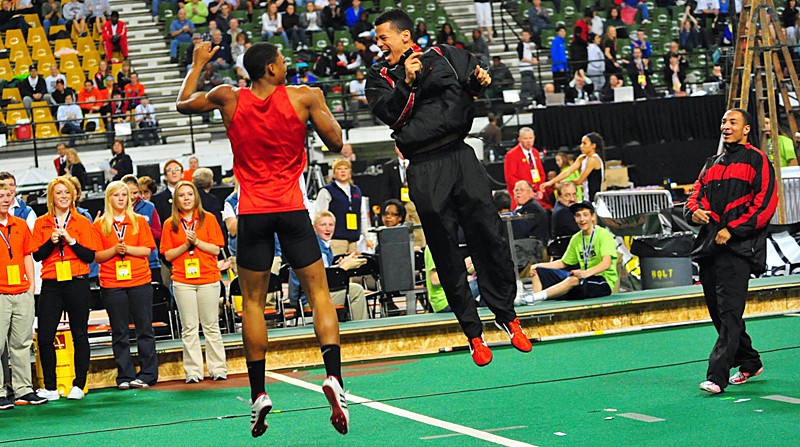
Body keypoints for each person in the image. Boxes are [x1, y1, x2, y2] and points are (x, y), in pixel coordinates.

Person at [176, 41, 349, 437]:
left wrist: (198, 63)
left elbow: (183, 103)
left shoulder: (228, 97)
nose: (286, 65)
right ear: (271, 69)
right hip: (291, 208)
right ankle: (334, 377)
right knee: (319, 292)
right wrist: (316, 111)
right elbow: (336, 143)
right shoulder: (304, 97)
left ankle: (258, 394)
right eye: (282, 61)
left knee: (252, 301)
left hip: (252, 212)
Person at [366, 10, 532, 367]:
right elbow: (393, 117)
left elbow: (469, 85)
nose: (379, 44)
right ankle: (473, 333)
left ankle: (508, 316)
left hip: (461, 155)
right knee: (444, 248)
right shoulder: (378, 77)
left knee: (489, 234)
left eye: (383, 37)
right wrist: (408, 84)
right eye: (377, 39)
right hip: (424, 167)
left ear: (405, 36)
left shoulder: (445, 54)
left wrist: (479, 82)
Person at [684, 108, 777, 394]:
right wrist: (694, 212)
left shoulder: (757, 159)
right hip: (711, 248)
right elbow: (693, 198)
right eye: (724, 121)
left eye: (733, 122)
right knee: (720, 313)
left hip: (738, 249)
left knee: (729, 313)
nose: (726, 125)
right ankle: (749, 361)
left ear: (746, 129)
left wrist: (733, 229)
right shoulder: (711, 163)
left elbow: (765, 204)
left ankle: (717, 376)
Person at [32, 177, 98, 402]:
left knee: (80, 334)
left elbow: (90, 256)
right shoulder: (41, 222)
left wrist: (71, 241)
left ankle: (79, 384)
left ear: (73, 196)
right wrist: (51, 241)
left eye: (67, 193)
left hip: (77, 281)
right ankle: (50, 386)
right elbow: (37, 255)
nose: (63, 196)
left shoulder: (82, 221)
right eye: (59, 192)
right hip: (51, 283)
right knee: (45, 336)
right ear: (52, 196)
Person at [92, 181, 158, 390]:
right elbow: (97, 256)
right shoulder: (100, 224)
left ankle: (148, 374)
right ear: (109, 198)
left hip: (139, 281)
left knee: (144, 328)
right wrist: (114, 250)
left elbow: (147, 250)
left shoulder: (139, 221)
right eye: (116, 195)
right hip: (112, 283)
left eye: (124, 195)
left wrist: (126, 248)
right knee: (119, 331)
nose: (120, 199)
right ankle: (125, 375)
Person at [161, 181, 227, 383]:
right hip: (182, 280)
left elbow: (216, 249)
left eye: (190, 194)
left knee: (211, 326)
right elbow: (168, 255)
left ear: (196, 197)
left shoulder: (209, 219)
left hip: (208, 278)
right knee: (189, 327)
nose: (186, 198)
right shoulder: (169, 224)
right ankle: (193, 371)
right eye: (182, 195)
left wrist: (197, 242)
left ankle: (218, 368)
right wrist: (186, 245)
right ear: (176, 200)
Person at [0, 184, 49, 410]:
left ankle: (23, 389)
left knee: (21, 343)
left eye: (8, 195)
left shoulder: (19, 225)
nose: (5, 199)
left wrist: (31, 287)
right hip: (0, 293)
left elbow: (28, 256)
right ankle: (1, 391)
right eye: (0, 196)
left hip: (22, 291)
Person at [528, 201, 617, 302]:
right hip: (584, 279)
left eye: (585, 215)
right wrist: (539, 266)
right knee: (537, 272)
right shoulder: (576, 238)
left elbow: (606, 263)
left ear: (592, 217)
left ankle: (534, 297)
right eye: (578, 216)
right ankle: (536, 306)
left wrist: (586, 273)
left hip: (602, 281)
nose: (582, 219)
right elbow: (563, 262)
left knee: (573, 280)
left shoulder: (603, 235)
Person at [290, 211, 369, 321]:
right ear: (314, 228)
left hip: (318, 294)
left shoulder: (324, 244)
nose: (328, 229)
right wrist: (344, 267)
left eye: (331, 225)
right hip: (310, 298)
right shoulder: (315, 247)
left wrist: (339, 265)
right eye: (323, 225)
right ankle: (360, 331)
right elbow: (324, 278)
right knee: (356, 291)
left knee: (352, 289)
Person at [314, 158, 367, 255]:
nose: (343, 171)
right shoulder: (327, 190)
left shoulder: (356, 190)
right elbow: (320, 215)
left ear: (350, 172)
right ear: (334, 172)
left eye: (346, 168)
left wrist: (366, 236)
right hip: (336, 238)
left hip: (353, 238)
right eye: (339, 168)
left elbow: (362, 214)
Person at [540, 132, 605, 202]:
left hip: (594, 199)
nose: (581, 146)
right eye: (581, 143)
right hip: (585, 197)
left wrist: (561, 184)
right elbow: (568, 172)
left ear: (593, 146)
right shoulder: (582, 158)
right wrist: (550, 182)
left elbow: (579, 181)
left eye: (584, 143)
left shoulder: (593, 160)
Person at [121, 175, 162, 282]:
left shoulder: (149, 207)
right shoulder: (113, 210)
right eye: (129, 193)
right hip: (124, 263)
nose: (133, 197)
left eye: (135, 193)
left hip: (151, 262)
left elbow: (158, 234)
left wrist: (143, 228)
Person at [504, 127, 548, 209]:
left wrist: (539, 189)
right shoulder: (512, 154)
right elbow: (510, 177)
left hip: (536, 196)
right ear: (519, 139)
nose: (528, 141)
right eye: (525, 138)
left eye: (531, 138)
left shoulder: (535, 153)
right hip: (521, 197)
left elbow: (541, 174)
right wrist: (527, 190)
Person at [516, 30, 541, 106]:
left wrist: (534, 59)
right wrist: (531, 61)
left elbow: (529, 55)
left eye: (526, 35)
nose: (525, 37)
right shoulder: (521, 45)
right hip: (525, 68)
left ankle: (536, 101)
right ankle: (523, 102)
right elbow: (521, 58)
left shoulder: (528, 45)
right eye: (523, 35)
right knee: (526, 86)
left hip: (530, 68)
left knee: (534, 86)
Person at [551, 25, 568, 92]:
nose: (563, 33)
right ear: (557, 32)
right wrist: (559, 66)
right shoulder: (556, 41)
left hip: (564, 66)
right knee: (558, 85)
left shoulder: (562, 42)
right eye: (561, 31)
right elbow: (554, 54)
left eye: (564, 31)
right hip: (558, 68)